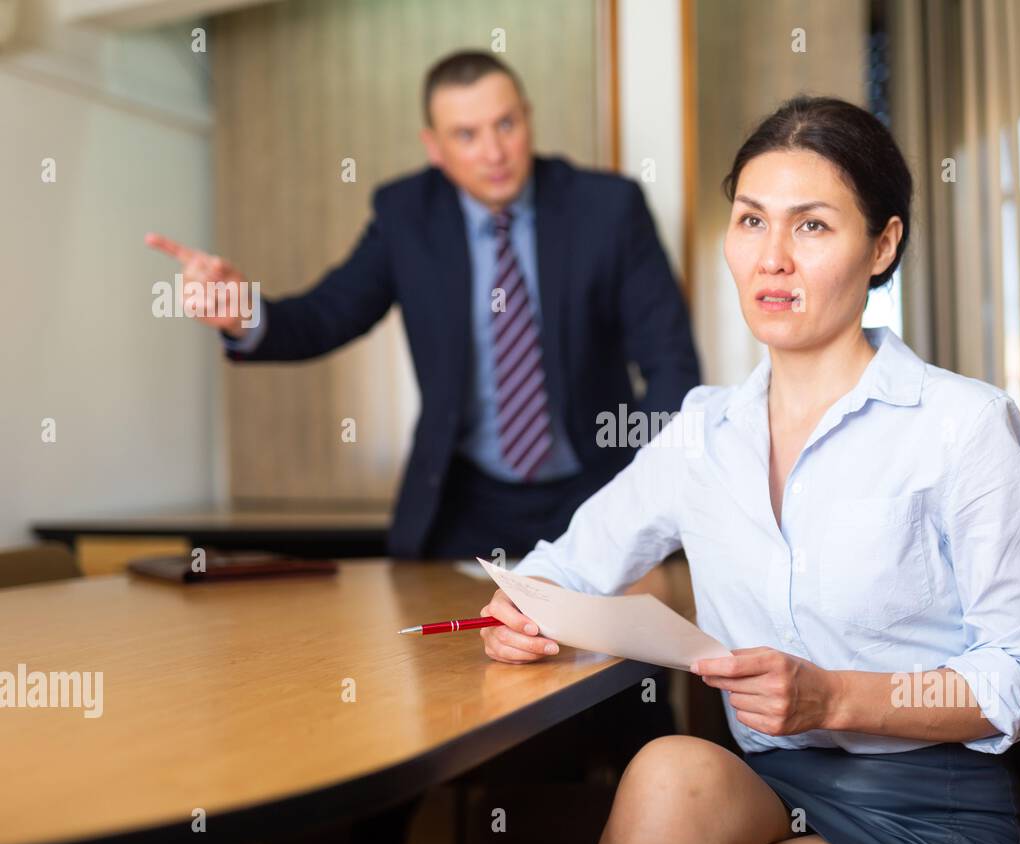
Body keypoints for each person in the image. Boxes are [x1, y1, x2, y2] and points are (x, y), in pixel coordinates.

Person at [480, 96, 1020, 844]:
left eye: (812, 225)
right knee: (665, 772)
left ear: (883, 245)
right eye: (752, 220)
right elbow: (565, 567)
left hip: (931, 806)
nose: (772, 257)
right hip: (766, 786)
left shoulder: (963, 424)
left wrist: (836, 698)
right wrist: (518, 611)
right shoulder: (703, 432)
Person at [145, 50, 700, 560]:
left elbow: (671, 363)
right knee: (448, 664)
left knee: (609, 663)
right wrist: (245, 313)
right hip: (463, 506)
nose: (494, 152)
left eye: (506, 124)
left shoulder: (607, 207)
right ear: (434, 146)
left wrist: (641, 491)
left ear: (528, 117)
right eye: (466, 135)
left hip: (594, 493)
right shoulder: (404, 215)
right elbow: (328, 313)